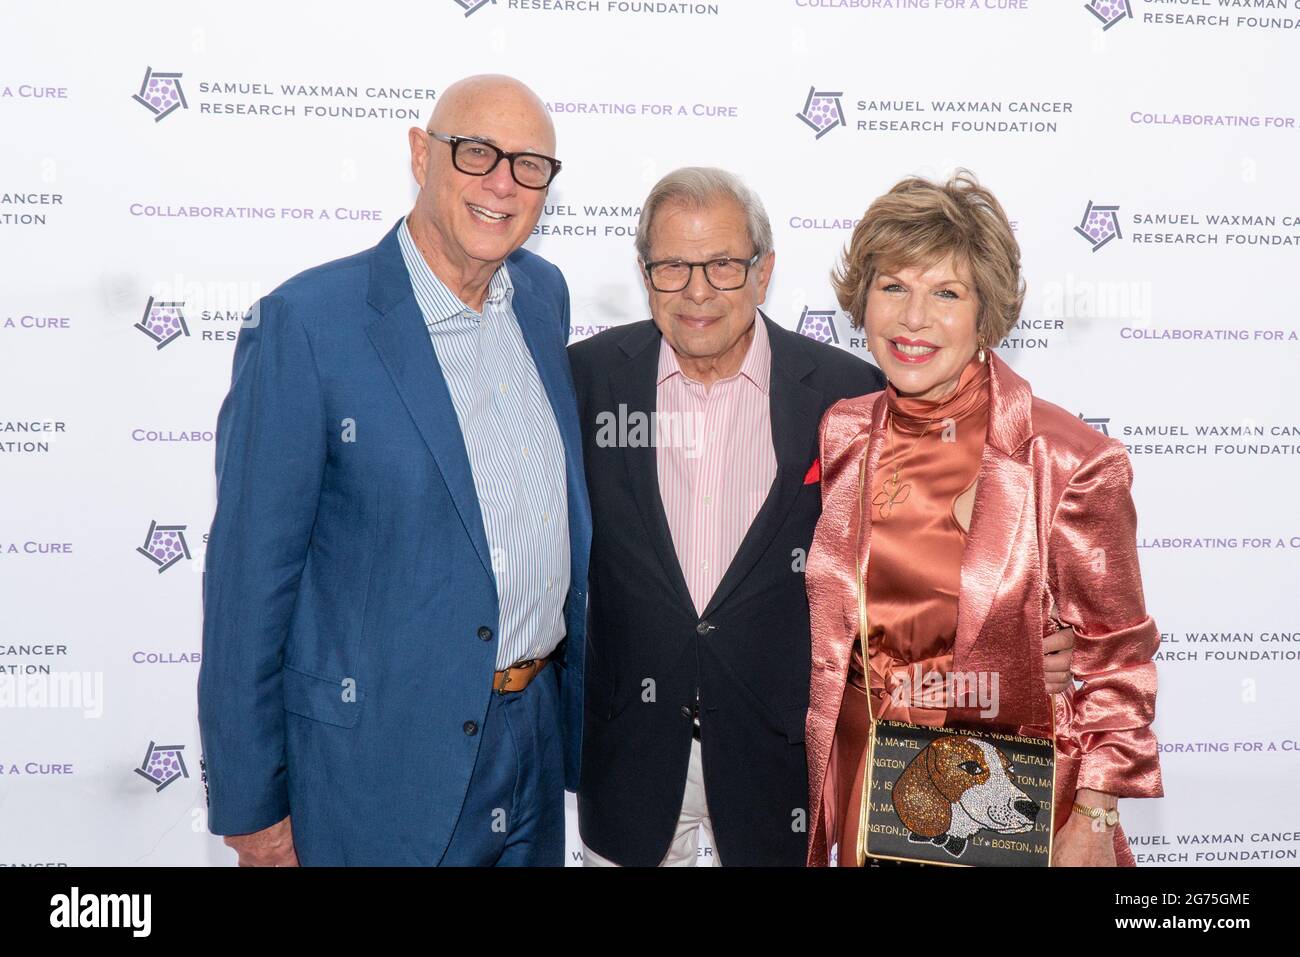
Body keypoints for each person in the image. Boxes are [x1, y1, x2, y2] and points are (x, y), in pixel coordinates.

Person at [197, 74, 590, 866]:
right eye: (476, 153)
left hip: (531, 742)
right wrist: (253, 806)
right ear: (421, 153)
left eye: (530, 165)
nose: (501, 184)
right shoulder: (307, 325)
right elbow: (247, 584)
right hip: (373, 769)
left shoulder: (542, 297)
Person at [804, 170, 1163, 868]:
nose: (913, 318)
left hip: (1008, 802)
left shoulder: (1065, 458)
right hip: (865, 780)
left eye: (945, 292)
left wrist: (1094, 814)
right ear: (862, 299)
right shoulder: (845, 431)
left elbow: (1119, 662)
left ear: (985, 313)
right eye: (893, 286)